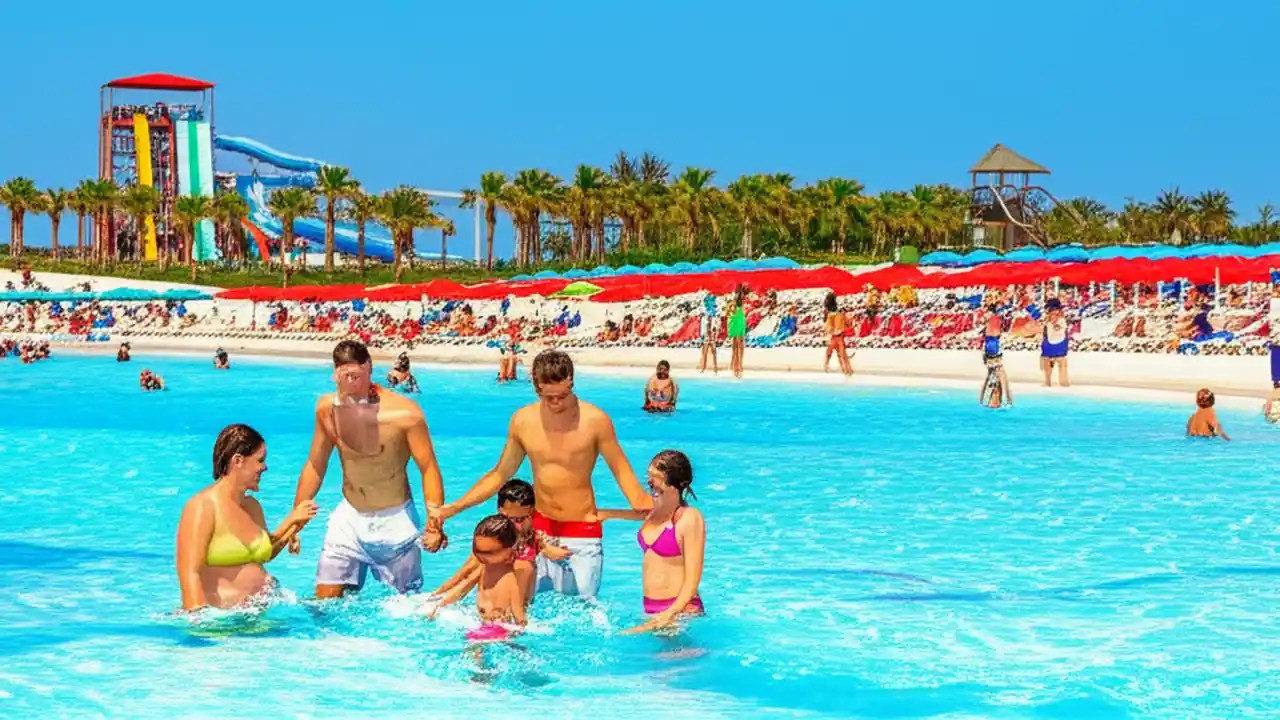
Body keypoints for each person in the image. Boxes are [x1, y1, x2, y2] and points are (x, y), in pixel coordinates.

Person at [432, 350, 652, 599]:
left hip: (581, 534)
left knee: (580, 615)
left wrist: (646, 508)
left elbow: (625, 477)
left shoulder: (596, 421)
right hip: (537, 531)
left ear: (571, 380)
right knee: (516, 611)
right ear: (536, 387)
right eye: (547, 397)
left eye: (561, 395)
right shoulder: (523, 420)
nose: (555, 403)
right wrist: (455, 508)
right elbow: (499, 474)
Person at [290, 340, 447, 599]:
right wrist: (296, 518)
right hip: (349, 519)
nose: (351, 384)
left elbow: (428, 468)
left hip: (396, 522)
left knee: (404, 610)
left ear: (370, 368)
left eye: (357, 376)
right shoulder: (326, 410)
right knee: (323, 605)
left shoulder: (404, 414)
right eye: (345, 377)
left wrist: (435, 523)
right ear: (335, 373)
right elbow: (316, 465)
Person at [175, 424, 318, 610]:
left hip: (262, 612)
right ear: (238, 460)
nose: (265, 467)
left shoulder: (252, 506)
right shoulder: (203, 506)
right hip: (225, 620)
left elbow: (264, 554)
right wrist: (199, 624)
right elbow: (190, 573)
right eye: (260, 460)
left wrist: (293, 524)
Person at [594, 450, 706, 634]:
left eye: (654, 477)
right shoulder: (654, 511)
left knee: (676, 662)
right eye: (648, 475)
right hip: (653, 611)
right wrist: (606, 514)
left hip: (681, 611)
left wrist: (671, 613)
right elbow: (638, 513)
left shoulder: (689, 518)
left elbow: (693, 580)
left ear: (673, 484)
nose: (648, 481)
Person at [429, 479, 570, 607]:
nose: (517, 526)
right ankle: (438, 596)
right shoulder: (495, 537)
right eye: (512, 519)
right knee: (471, 570)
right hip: (499, 610)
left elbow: (546, 549)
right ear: (500, 511)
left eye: (522, 519)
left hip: (523, 610)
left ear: (531, 512)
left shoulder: (531, 536)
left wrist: (557, 551)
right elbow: (468, 576)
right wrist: (442, 599)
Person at [1039, 299, 1069, 387]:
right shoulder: (1062, 318)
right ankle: (1062, 383)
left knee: (1050, 361)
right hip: (1059, 344)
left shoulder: (1055, 319)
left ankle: (1048, 382)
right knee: (1061, 362)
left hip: (1051, 344)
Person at [823, 292, 853, 376]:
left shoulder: (830, 314)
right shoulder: (839, 314)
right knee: (842, 354)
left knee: (833, 353)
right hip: (838, 336)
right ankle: (847, 371)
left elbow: (828, 327)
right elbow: (847, 324)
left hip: (835, 336)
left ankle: (845, 370)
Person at [727, 290, 747, 379]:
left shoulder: (732, 305)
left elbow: (729, 316)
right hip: (739, 326)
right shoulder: (740, 307)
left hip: (735, 326)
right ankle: (738, 367)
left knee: (735, 347)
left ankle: (735, 367)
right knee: (739, 347)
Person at [697, 294, 719, 374]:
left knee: (709, 352)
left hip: (709, 335)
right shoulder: (709, 316)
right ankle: (709, 368)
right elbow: (710, 327)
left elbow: (712, 327)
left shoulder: (709, 316)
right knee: (709, 352)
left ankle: (707, 368)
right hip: (709, 335)